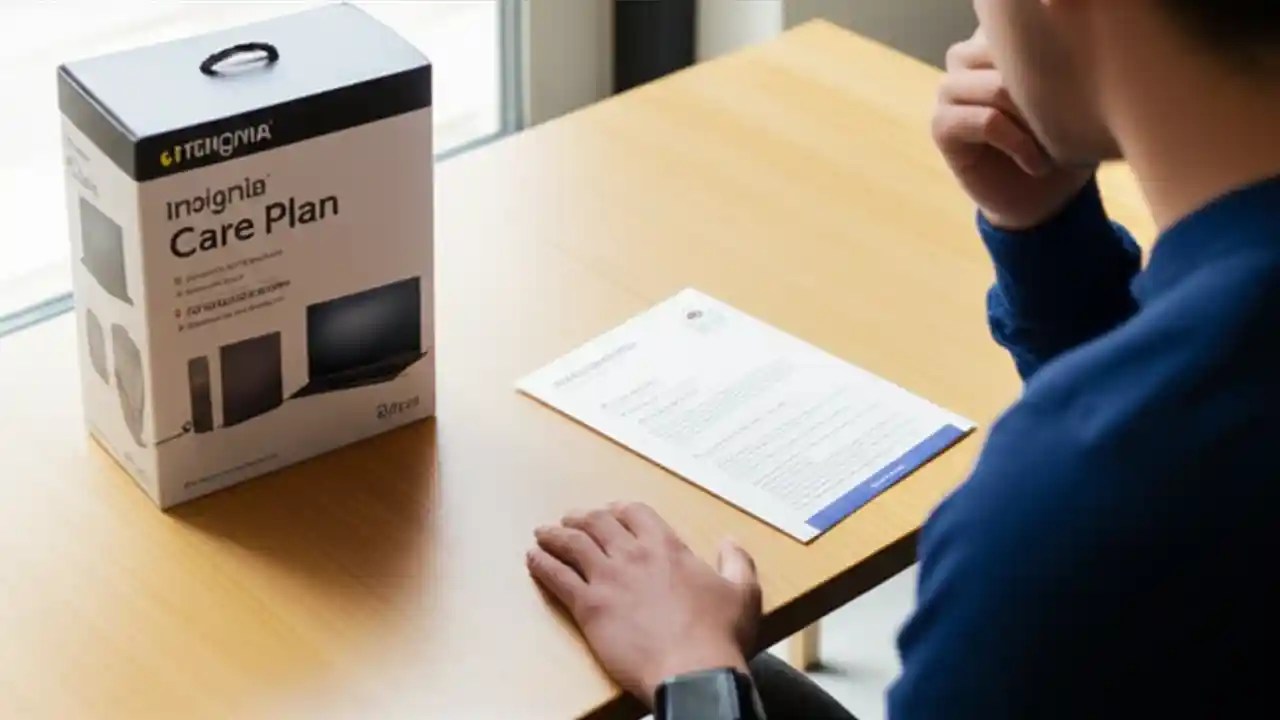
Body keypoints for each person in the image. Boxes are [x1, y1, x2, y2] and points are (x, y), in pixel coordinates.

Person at [526, 0, 1280, 717]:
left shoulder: (1051, 527)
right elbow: (1192, 409)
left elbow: (1146, 462)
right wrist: (1049, 239)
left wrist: (697, 675)